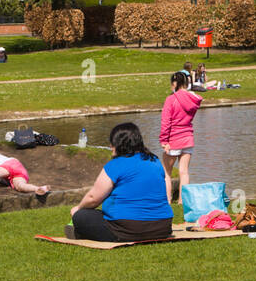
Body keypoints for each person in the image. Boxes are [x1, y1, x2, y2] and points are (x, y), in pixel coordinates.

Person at [70, 122, 173, 242]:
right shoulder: (155, 161)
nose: (110, 146)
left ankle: (81, 231)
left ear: (118, 144)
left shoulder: (115, 165)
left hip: (126, 228)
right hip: (163, 227)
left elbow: (93, 198)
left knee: (81, 216)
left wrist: (78, 209)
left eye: (112, 142)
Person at [159, 70, 202, 199]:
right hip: (188, 137)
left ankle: (167, 200)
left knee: (166, 172)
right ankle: (183, 202)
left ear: (175, 83)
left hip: (174, 139)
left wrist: (164, 141)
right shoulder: (193, 99)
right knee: (184, 172)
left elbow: (166, 121)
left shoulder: (171, 99)